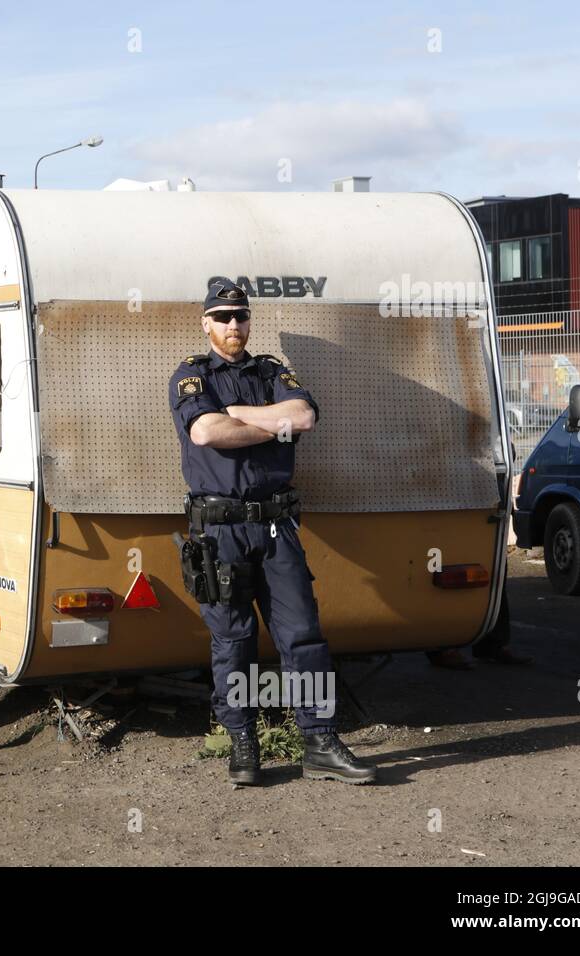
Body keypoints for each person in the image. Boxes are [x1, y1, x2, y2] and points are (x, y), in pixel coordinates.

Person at [169, 279, 375, 787]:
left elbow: (303, 416)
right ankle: (244, 745)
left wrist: (239, 415)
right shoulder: (192, 376)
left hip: (278, 528)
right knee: (232, 642)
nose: (232, 325)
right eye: (222, 317)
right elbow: (205, 431)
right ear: (206, 323)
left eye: (240, 316)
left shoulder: (272, 372)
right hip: (220, 533)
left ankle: (320, 743)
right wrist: (268, 424)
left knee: (304, 637)